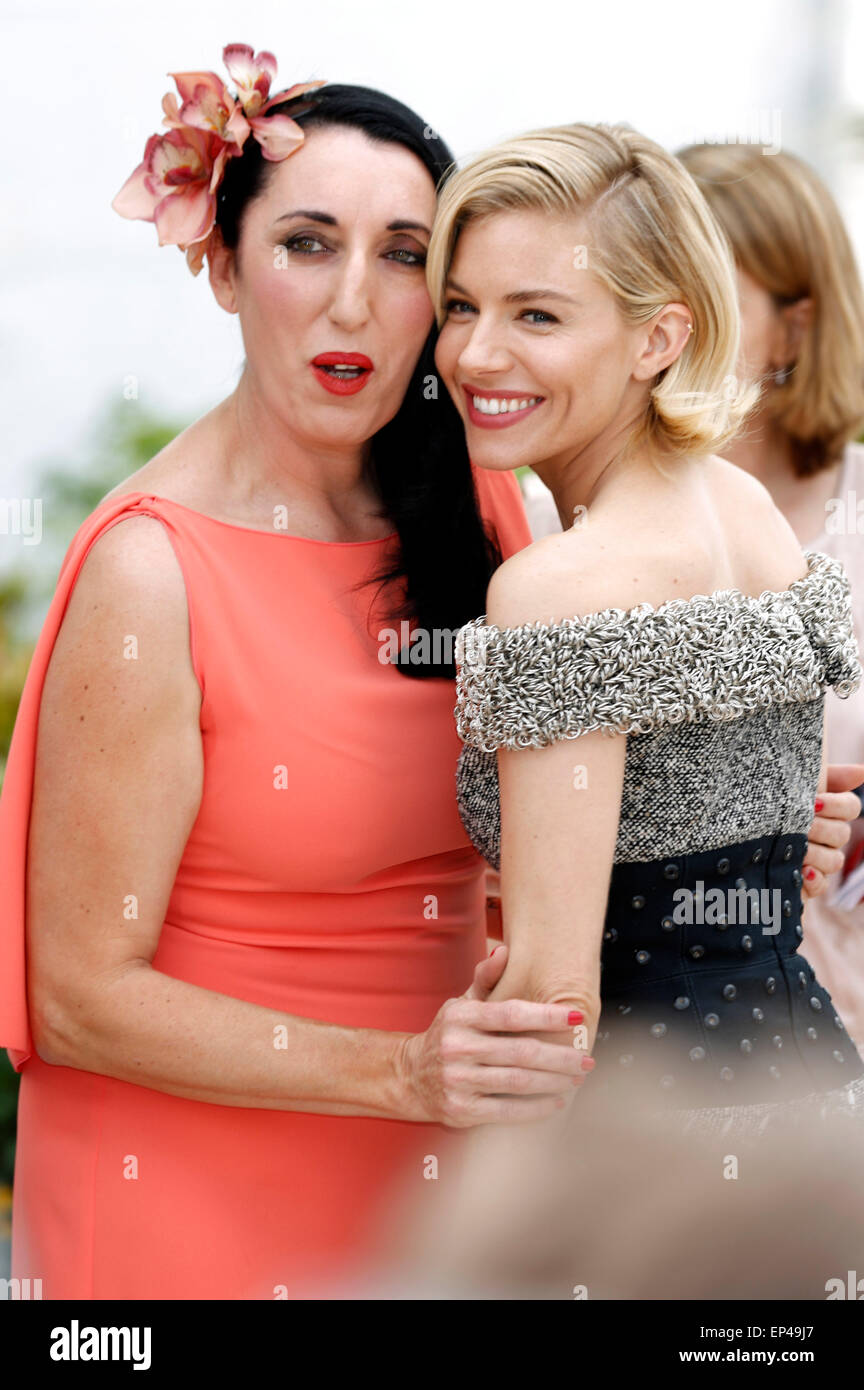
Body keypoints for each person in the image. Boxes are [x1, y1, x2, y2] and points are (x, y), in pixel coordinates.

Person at [0, 54, 588, 1300]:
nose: (355, 305)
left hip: (438, 1193)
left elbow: (542, 822)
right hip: (183, 1204)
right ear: (221, 267)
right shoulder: (152, 572)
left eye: (401, 257)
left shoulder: (482, 512)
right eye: (309, 245)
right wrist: (403, 1074)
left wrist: (740, 830)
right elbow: (79, 995)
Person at [426, 120, 864, 1131]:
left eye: (536, 314)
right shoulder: (746, 509)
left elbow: (552, 1005)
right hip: (817, 1113)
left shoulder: (558, 586)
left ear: (659, 338)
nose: (477, 351)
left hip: (651, 1155)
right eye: (461, 305)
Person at [675, 142, 864, 1049]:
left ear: (797, 327)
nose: (667, 326)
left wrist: (849, 845)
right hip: (638, 1067)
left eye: (708, 293)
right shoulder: (561, 520)